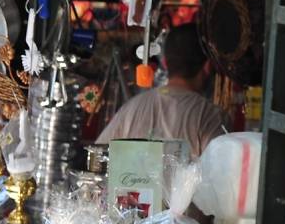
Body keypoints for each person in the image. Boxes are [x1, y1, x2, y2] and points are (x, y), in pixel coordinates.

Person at [97, 23, 228, 158]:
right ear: (208, 66)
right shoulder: (209, 115)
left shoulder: (130, 109)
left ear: (165, 63)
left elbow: (97, 158)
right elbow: (222, 166)